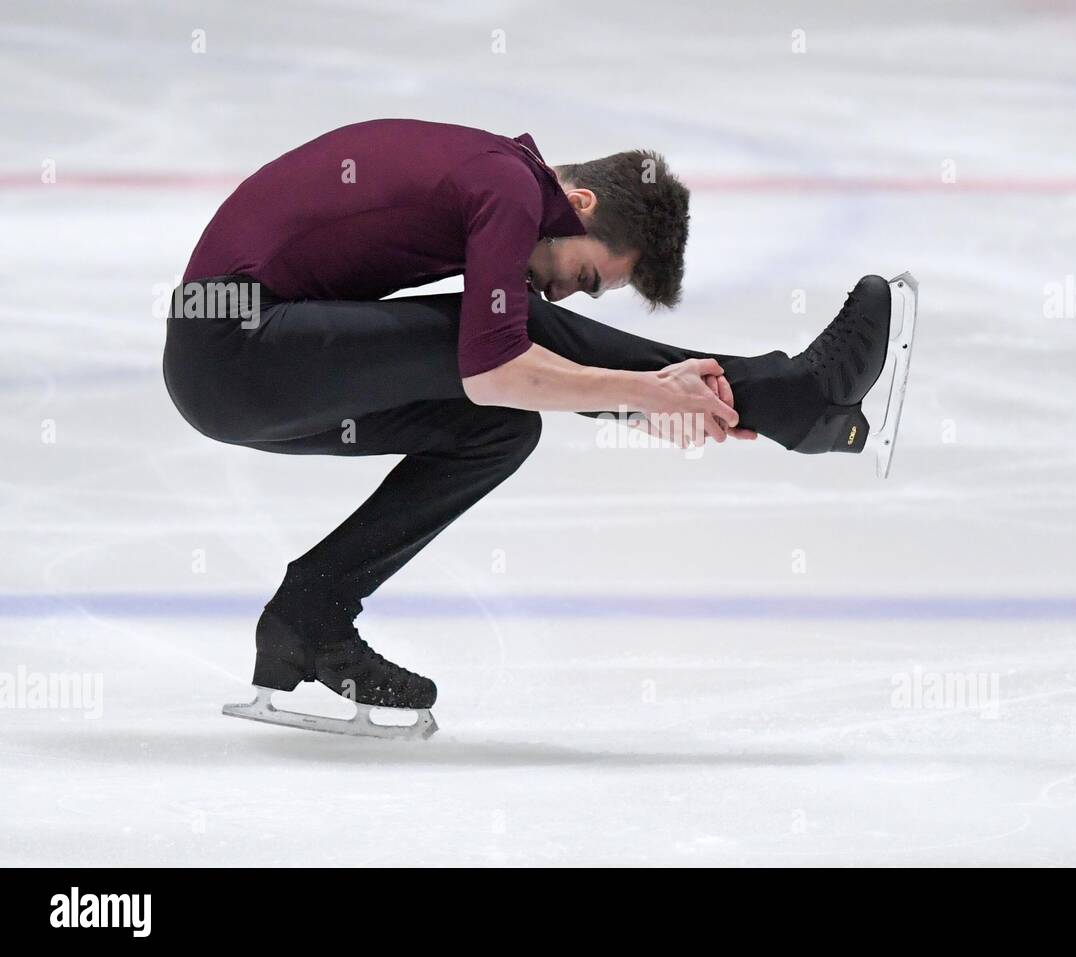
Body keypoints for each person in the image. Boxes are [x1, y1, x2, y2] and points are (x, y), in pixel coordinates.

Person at [164, 119, 902, 736]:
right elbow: (493, 365)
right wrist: (644, 393)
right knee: (508, 345)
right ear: (576, 202)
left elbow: (496, 384)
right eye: (585, 275)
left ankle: (309, 615)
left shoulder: (498, 177)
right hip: (235, 348)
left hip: (240, 365)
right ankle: (795, 400)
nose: (564, 290)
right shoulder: (508, 187)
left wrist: (641, 398)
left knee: (500, 427)